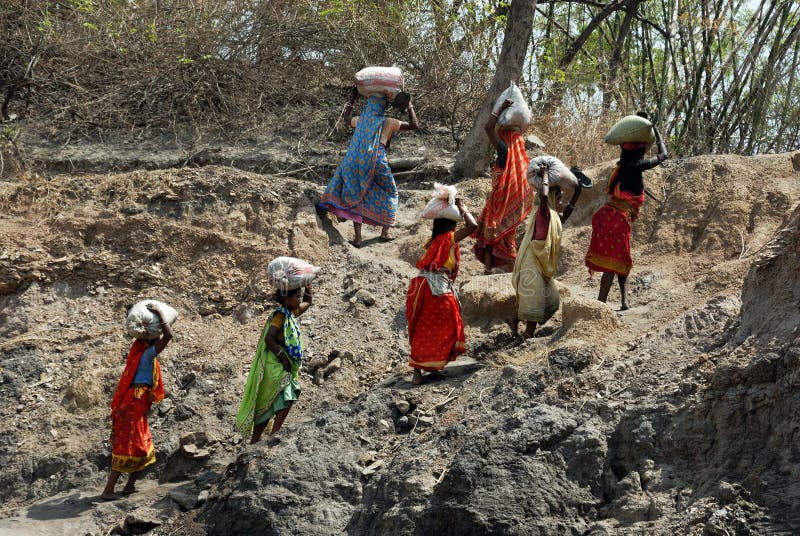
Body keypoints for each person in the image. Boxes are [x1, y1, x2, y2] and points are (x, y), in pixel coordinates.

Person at [585, 114, 668, 310]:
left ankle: (623, 302)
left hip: (607, 216)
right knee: (616, 261)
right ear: (640, 151)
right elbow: (663, 155)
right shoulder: (637, 166)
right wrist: (656, 132)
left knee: (622, 259)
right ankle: (602, 304)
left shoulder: (622, 167)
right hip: (618, 219)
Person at [319, 87, 419, 248]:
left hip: (355, 161)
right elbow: (414, 125)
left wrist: (352, 99)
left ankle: (358, 239)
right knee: (391, 192)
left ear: (369, 105)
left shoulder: (360, 120)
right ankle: (385, 232)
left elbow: (347, 119)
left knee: (358, 194)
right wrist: (409, 105)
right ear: (382, 106)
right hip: (377, 161)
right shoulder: (388, 121)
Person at [101, 303, 172, 500]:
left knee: (143, 447)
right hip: (133, 404)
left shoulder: (139, 353)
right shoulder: (147, 354)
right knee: (131, 446)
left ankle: (129, 486)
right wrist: (160, 314)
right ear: (150, 336)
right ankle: (108, 491)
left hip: (134, 403)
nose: (158, 337)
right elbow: (169, 335)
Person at [406, 198, 478, 385]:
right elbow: (473, 226)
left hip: (420, 286)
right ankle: (429, 364)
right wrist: (463, 208)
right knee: (450, 326)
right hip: (437, 289)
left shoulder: (431, 242)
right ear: (450, 225)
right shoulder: (448, 238)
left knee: (424, 326)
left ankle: (421, 370)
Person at [511, 162, 583, 338]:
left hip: (541, 262)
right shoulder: (543, 211)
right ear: (551, 198)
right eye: (558, 198)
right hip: (532, 262)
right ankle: (527, 334)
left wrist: (577, 193)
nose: (561, 202)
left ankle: (514, 321)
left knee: (551, 300)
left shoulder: (554, 216)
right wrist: (544, 175)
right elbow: (543, 196)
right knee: (535, 300)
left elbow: (566, 215)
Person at [236, 283, 313, 443]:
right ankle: (273, 434)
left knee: (271, 403)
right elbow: (269, 338)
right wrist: (283, 357)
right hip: (273, 364)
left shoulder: (291, 313)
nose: (299, 300)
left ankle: (259, 440)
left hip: (278, 364)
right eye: (297, 297)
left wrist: (308, 288)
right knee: (289, 391)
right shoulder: (280, 316)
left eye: (299, 296)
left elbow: (308, 302)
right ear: (286, 299)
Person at [473, 98, 533, 274]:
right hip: (511, 206)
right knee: (505, 240)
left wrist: (498, 108)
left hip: (498, 203)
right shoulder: (520, 160)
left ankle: (491, 272)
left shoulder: (504, 150)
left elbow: (488, 128)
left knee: (492, 240)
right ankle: (509, 274)